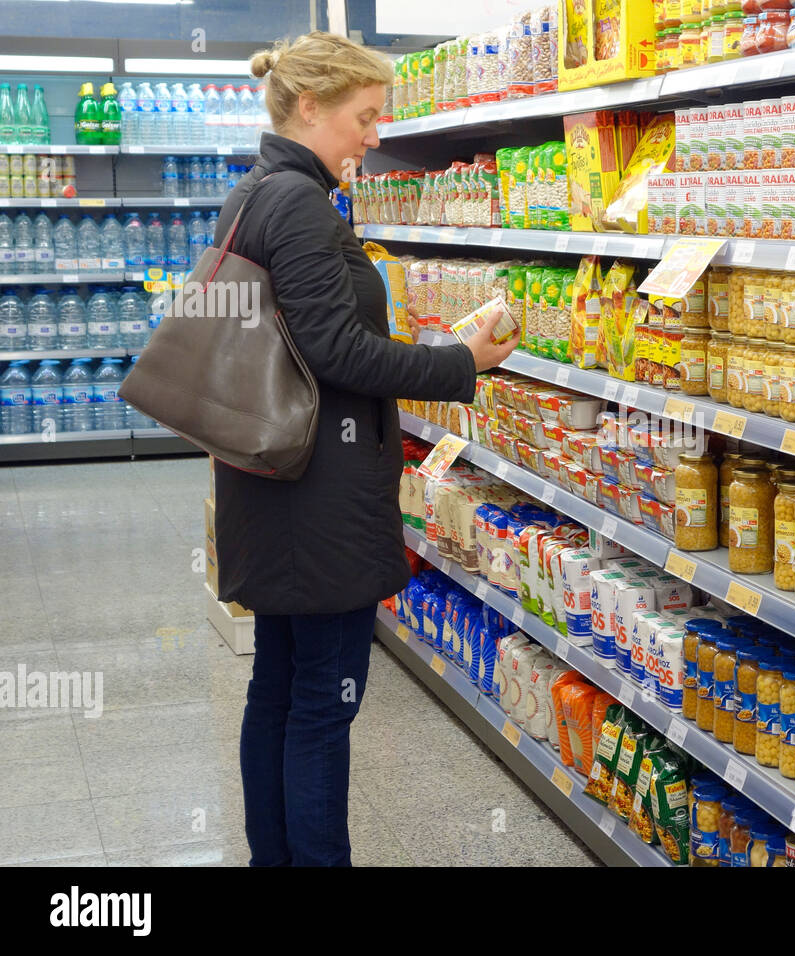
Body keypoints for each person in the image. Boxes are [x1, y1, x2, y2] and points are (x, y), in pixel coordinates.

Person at [212, 32, 518, 867]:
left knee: (278, 686)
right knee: (322, 703)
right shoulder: (299, 202)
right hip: (315, 498)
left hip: (274, 481)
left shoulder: (256, 190)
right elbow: (335, 353)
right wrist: (460, 362)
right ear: (309, 107)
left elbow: (304, 338)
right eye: (366, 116)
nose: (375, 135)